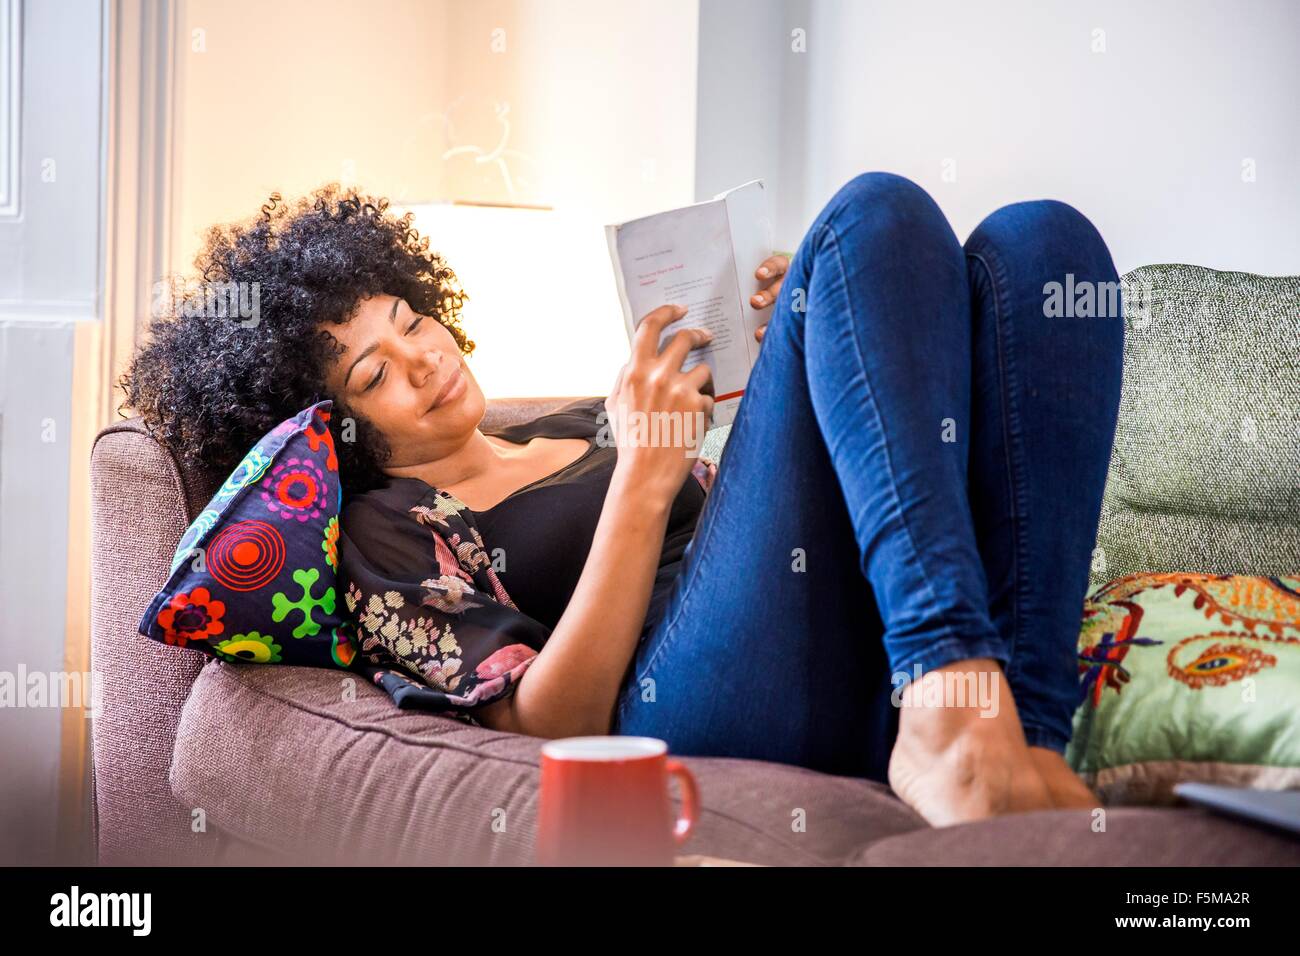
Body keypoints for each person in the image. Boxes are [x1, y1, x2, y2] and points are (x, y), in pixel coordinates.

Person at [124, 172, 1124, 826]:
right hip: (688, 698)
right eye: (372, 374)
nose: (423, 360)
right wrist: (644, 477)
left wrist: (801, 339)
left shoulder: (577, 415)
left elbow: (779, 500)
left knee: (1041, 247)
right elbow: (543, 718)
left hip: (842, 636)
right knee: (874, 214)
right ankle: (952, 687)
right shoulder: (386, 521)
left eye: (413, 321)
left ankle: (1023, 738)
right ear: (334, 423)